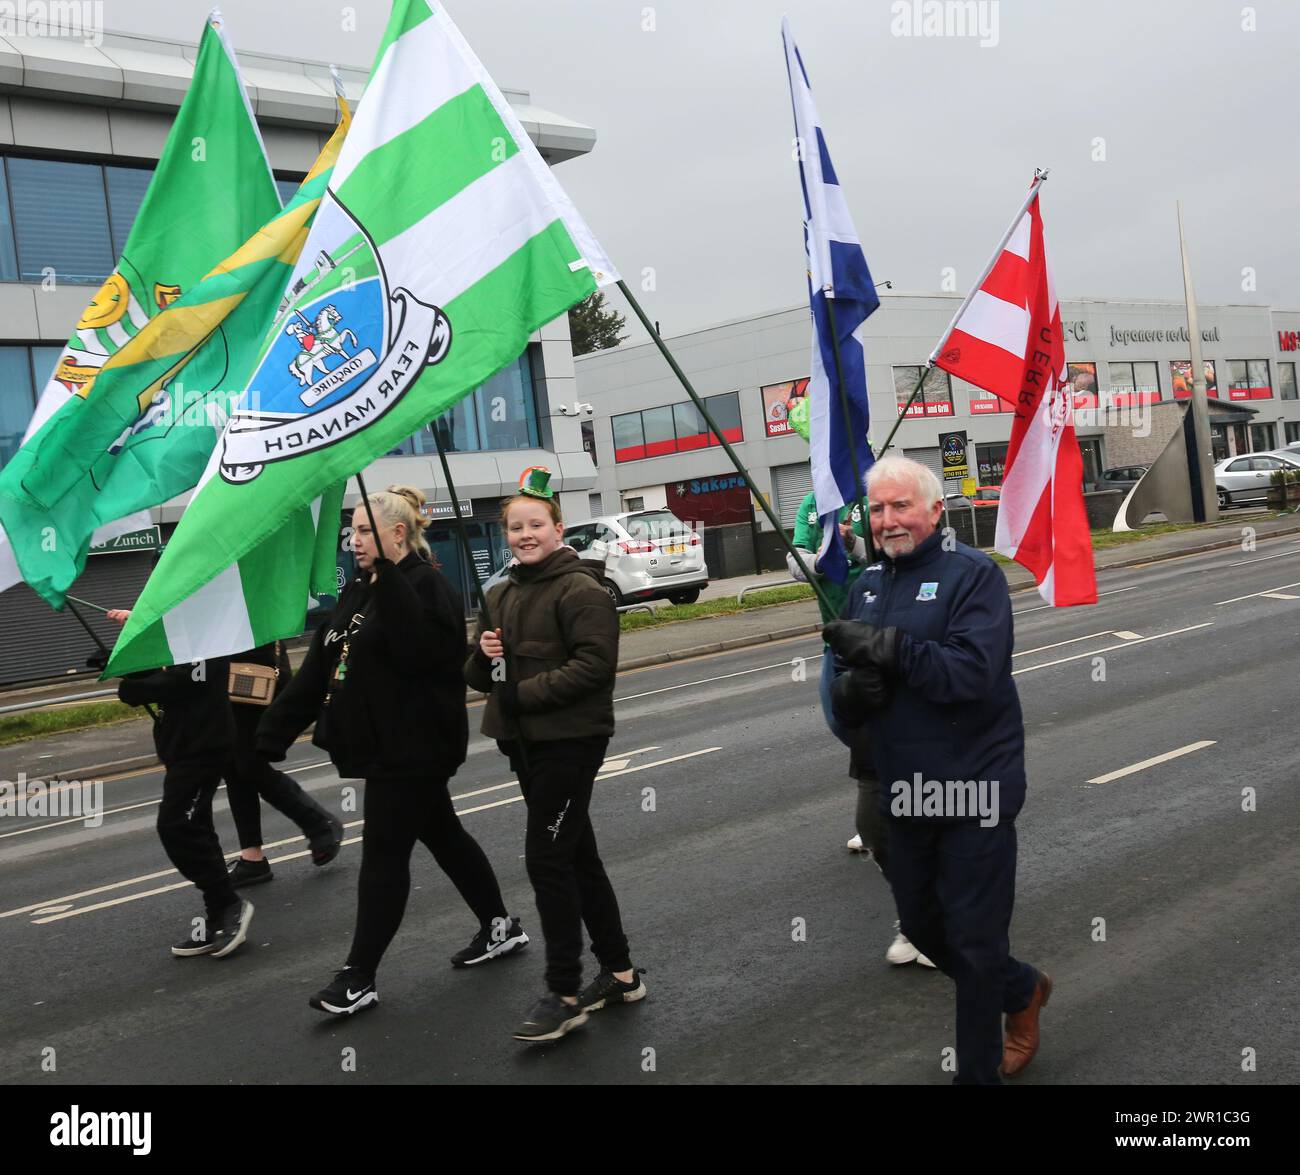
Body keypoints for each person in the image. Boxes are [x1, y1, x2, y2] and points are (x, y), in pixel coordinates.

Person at [257, 485, 527, 1016]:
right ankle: (500, 928)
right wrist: (268, 735)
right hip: (380, 746)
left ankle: (359, 976)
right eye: (350, 530)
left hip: (416, 748)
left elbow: (422, 653)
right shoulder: (362, 588)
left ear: (396, 533)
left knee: (383, 855)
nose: (350, 540)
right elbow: (320, 666)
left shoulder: (428, 588)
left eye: (362, 530)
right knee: (445, 835)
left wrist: (390, 583)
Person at [824, 455, 1051, 1085]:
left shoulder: (973, 576)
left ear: (933, 511)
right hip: (906, 789)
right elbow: (842, 683)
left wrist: (888, 651)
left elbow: (971, 675)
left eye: (901, 507)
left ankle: (975, 1074)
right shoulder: (867, 585)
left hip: (975, 784)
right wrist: (850, 695)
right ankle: (1023, 987)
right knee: (924, 925)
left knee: (974, 943)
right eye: (877, 509)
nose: (888, 520)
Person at [465, 467, 643, 1043]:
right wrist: (485, 652)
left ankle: (564, 991)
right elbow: (480, 677)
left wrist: (518, 693)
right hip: (523, 745)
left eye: (535, 524)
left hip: (570, 740)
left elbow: (593, 670)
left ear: (557, 527)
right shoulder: (498, 595)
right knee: (576, 857)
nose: (524, 534)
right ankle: (619, 973)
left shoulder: (583, 590)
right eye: (515, 527)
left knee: (546, 860)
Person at [108, 609, 253, 959]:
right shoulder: (170, 627)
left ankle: (230, 904)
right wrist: (130, 653)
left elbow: (197, 675)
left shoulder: (209, 625)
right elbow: (154, 671)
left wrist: (138, 688)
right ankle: (218, 913)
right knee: (197, 825)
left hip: (205, 745)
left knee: (175, 824)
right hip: (179, 744)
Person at [224, 640, 344, 888]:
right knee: (234, 767)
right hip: (228, 678)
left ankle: (319, 824)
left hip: (255, 675)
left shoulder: (246, 602)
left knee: (248, 764)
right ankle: (252, 858)